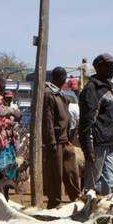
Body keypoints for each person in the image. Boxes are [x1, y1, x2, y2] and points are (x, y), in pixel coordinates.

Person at [78, 52, 113, 194]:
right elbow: (86, 122)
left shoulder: (110, 86)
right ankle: (86, 212)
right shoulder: (92, 90)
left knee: (110, 180)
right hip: (97, 145)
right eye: (111, 66)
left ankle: (100, 212)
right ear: (100, 68)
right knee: (92, 182)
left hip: (109, 142)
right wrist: (88, 148)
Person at [41, 66, 80, 207]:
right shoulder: (49, 94)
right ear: (62, 79)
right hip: (56, 141)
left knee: (71, 171)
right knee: (55, 174)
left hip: (65, 140)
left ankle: (76, 199)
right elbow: (48, 120)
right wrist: (51, 142)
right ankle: (54, 203)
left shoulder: (60, 94)